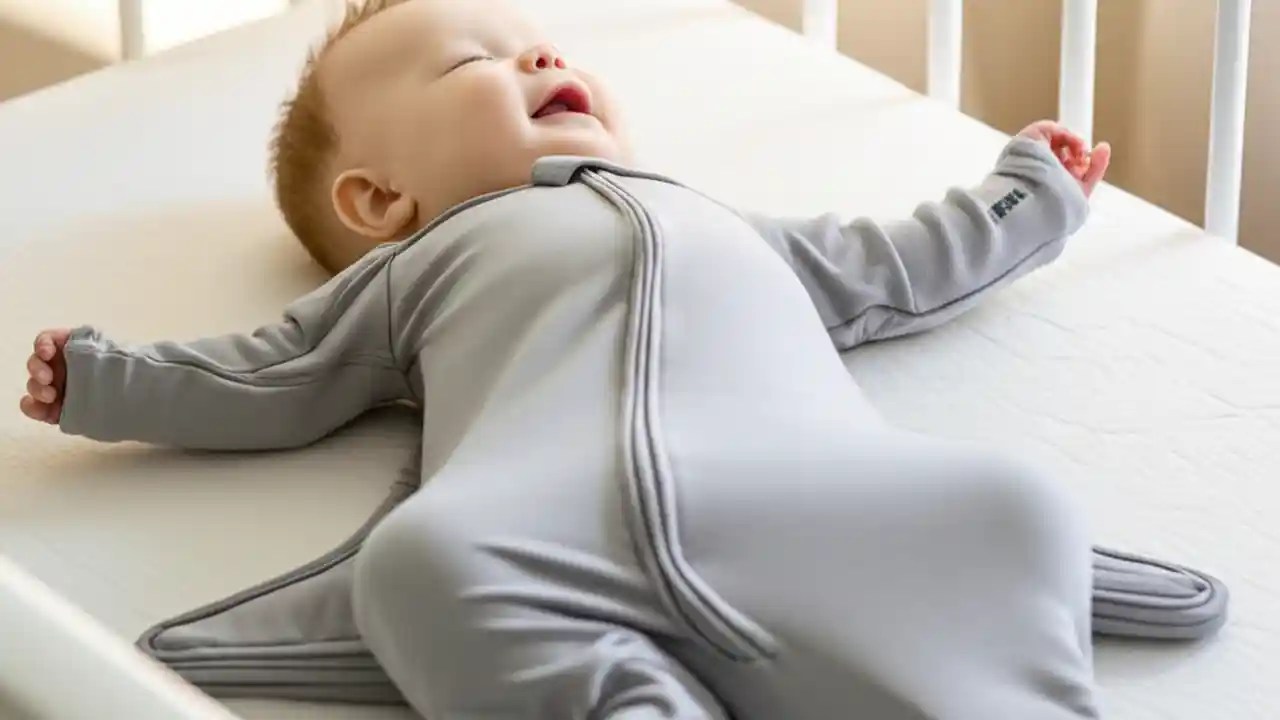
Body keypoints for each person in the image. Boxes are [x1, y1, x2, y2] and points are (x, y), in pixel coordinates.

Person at [20, 0, 1114, 717]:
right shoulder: (420, 266)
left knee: (1010, 507)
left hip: (806, 490)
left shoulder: (726, 224)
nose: (540, 55)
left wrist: (1026, 190)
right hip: (542, 518)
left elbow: (901, 262)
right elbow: (272, 368)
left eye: (540, 44)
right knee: (421, 565)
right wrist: (110, 379)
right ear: (381, 199)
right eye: (473, 62)